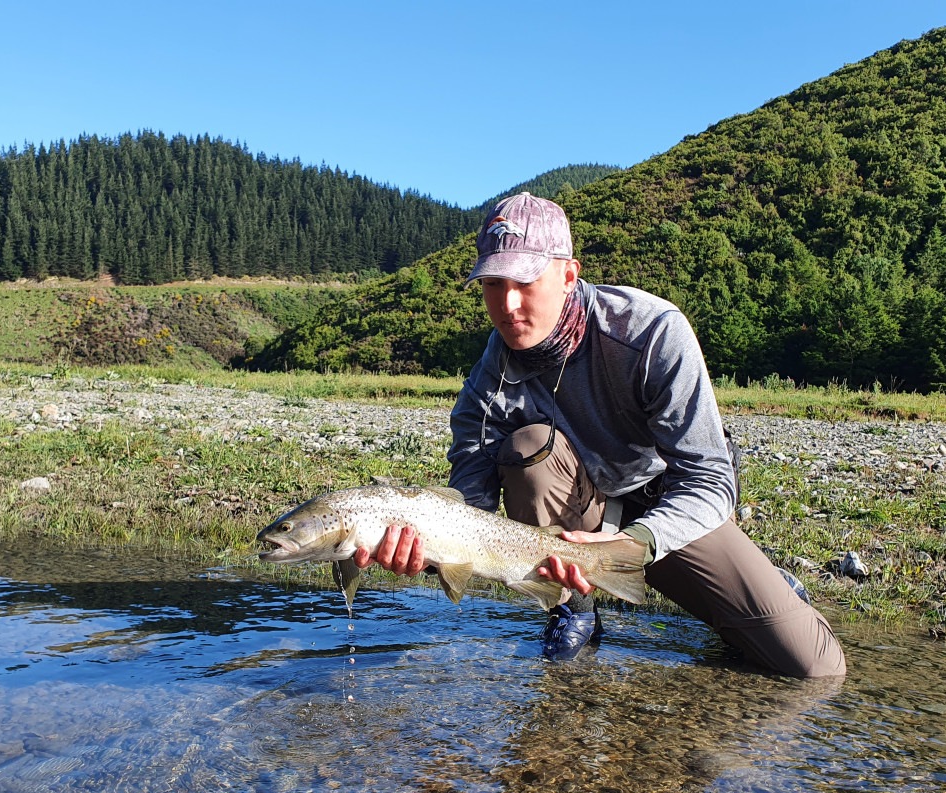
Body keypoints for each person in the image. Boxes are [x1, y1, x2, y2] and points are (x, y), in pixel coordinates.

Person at [354, 193, 845, 677]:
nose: (507, 303)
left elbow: (711, 478)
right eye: (493, 283)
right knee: (528, 450)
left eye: (526, 281)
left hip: (664, 509)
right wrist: (431, 549)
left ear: (568, 275)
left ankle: (765, 584)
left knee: (813, 666)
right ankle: (574, 607)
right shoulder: (489, 380)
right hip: (573, 524)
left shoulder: (650, 331)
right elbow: (469, 507)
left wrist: (633, 544)